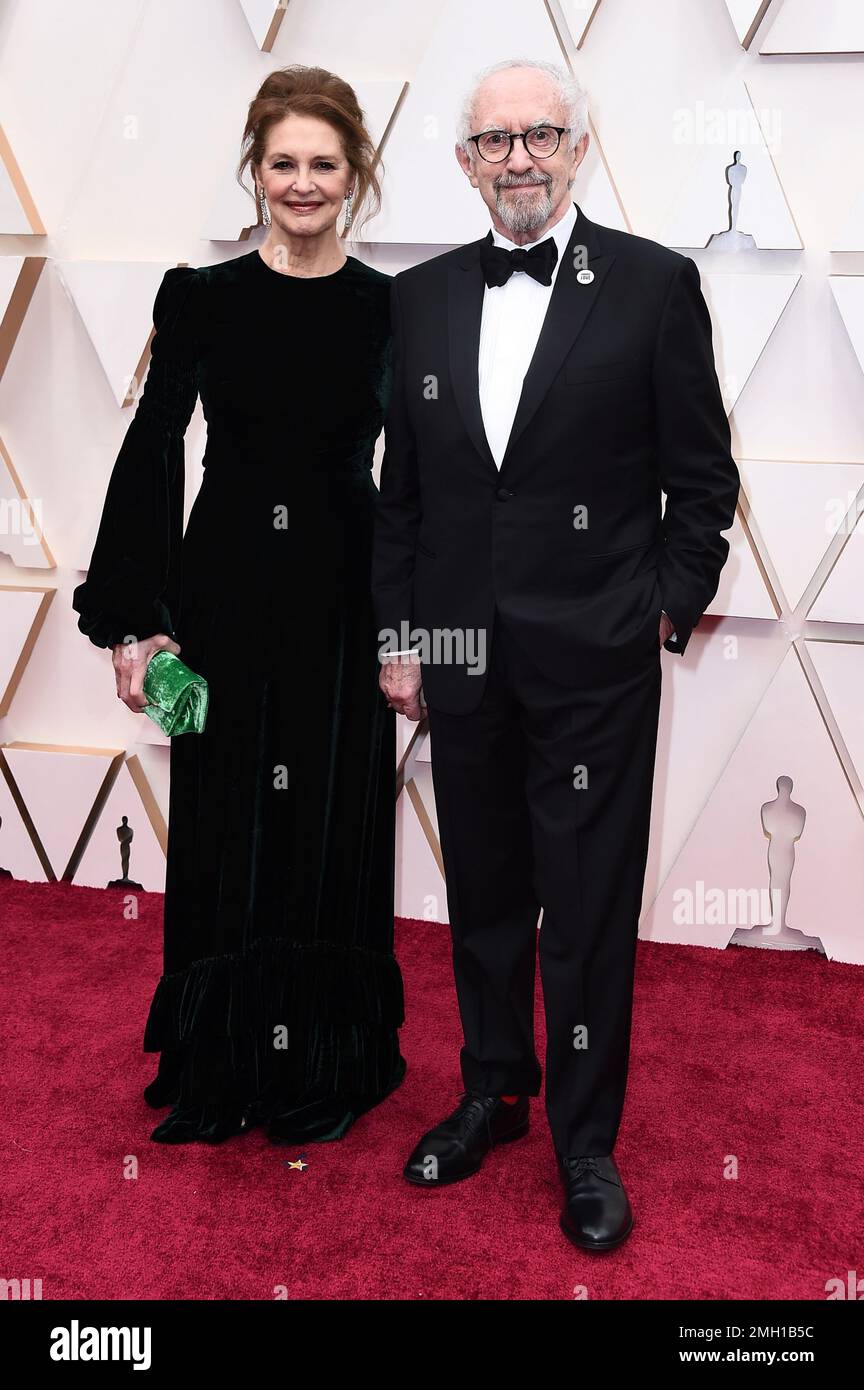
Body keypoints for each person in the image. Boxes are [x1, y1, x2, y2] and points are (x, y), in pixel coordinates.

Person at [372, 57, 739, 1248]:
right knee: (484, 896)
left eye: (540, 136)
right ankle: (493, 1093)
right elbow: (404, 495)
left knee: (582, 909)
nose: (517, 158)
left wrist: (661, 612)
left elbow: (702, 483)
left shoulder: (651, 285)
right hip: (462, 654)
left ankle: (587, 1142)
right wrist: (404, 635)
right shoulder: (418, 298)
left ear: (578, 148)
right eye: (494, 141)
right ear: (467, 161)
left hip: (596, 662)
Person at [73, 65, 406, 1145]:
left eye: (323, 163)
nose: (301, 183)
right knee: (225, 817)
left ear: (354, 174)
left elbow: (420, 480)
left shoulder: (384, 308)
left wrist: (417, 619)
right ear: (254, 171)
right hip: (223, 593)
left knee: (328, 824)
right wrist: (135, 610)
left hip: (344, 594)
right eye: (282, 163)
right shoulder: (202, 296)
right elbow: (154, 442)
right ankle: (223, 1061)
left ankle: (320, 1058)